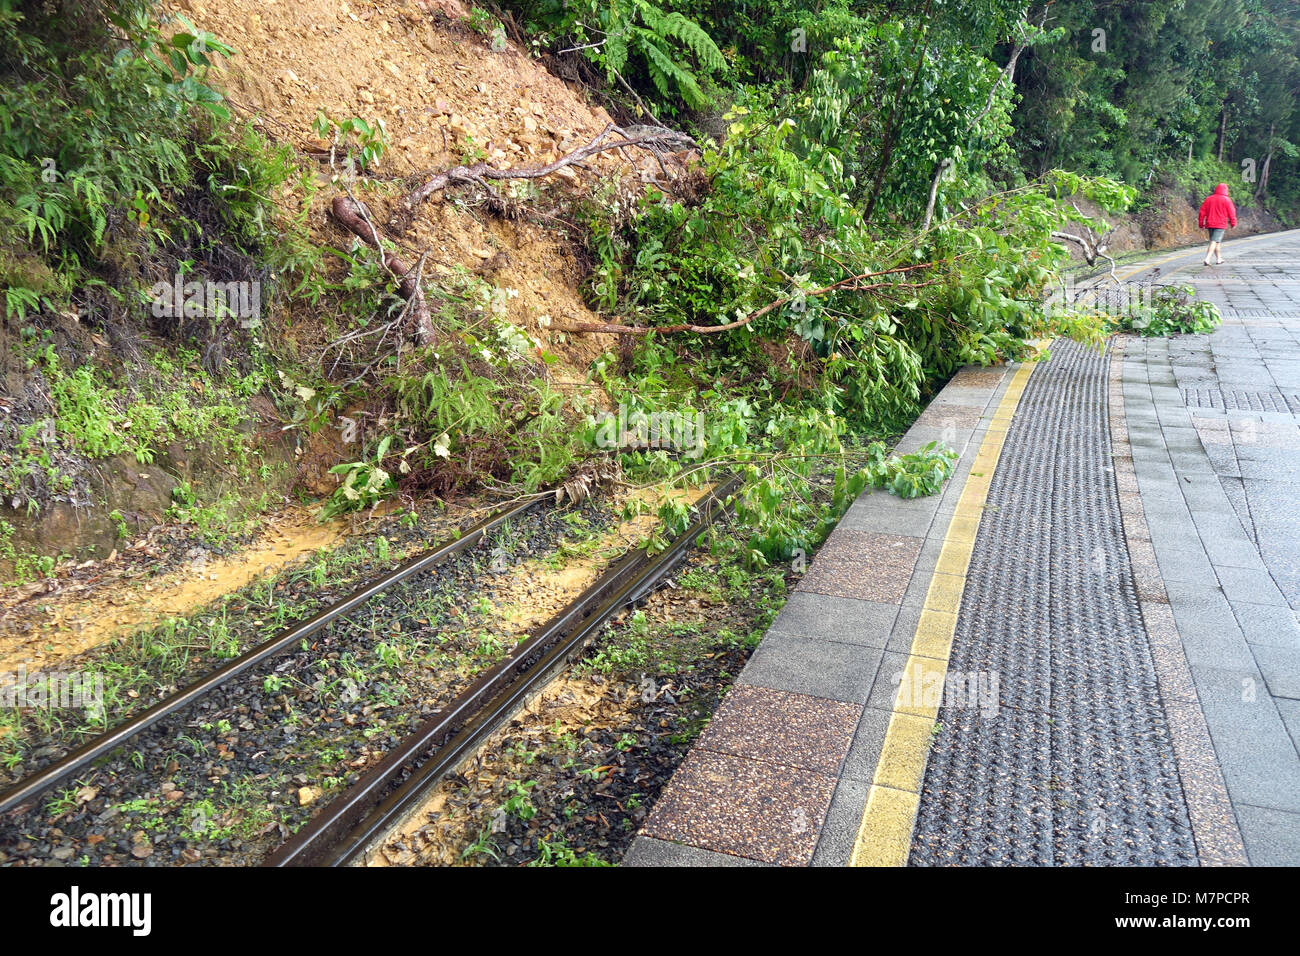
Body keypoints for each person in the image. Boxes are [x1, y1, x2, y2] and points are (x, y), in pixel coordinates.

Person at [1198, 183, 1237, 265]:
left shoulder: (1209, 199)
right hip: (1220, 224)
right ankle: (1207, 258)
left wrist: (1201, 223)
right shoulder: (1227, 200)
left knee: (1216, 241)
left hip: (1210, 223)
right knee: (1214, 241)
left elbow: (1202, 212)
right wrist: (1233, 223)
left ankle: (1219, 258)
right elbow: (1232, 212)